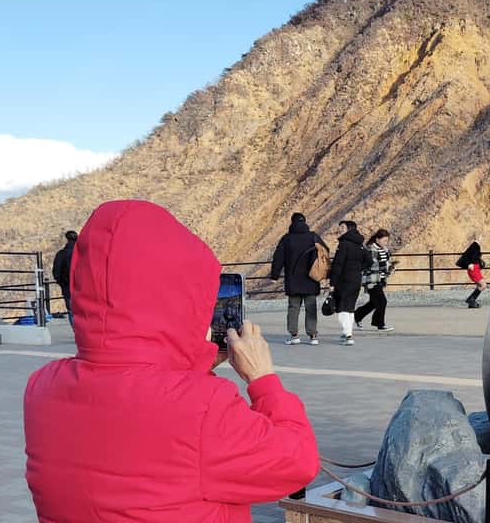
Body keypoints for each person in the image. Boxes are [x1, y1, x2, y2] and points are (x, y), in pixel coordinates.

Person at [24, 200, 319, 522]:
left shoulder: (42, 387)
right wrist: (263, 379)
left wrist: (189, 364)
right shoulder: (204, 406)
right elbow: (296, 463)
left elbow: (141, 421)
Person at [269, 212, 327, 345]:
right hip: (311, 278)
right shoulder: (313, 237)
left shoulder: (287, 238)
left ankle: (294, 335)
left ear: (292, 222)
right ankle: (313, 335)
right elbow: (324, 251)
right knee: (311, 307)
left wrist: (274, 275)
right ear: (305, 222)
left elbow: (278, 257)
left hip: (293, 279)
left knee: (293, 307)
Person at [329, 220, 372, 346]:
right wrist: (358, 269)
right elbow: (369, 261)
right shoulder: (360, 244)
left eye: (342, 227)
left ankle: (348, 335)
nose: (340, 229)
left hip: (343, 280)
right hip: (356, 279)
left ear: (350, 229)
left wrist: (332, 282)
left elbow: (338, 265)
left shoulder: (344, 244)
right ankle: (347, 333)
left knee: (342, 307)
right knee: (350, 307)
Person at [355, 229, 395, 332]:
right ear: (377, 239)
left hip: (380, 279)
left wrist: (391, 267)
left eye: (387, 240)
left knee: (374, 302)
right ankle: (379, 324)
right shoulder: (370, 249)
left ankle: (357, 315)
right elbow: (372, 265)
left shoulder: (384, 249)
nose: (385, 242)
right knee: (382, 301)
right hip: (371, 280)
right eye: (384, 240)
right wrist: (386, 266)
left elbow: (386, 262)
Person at [50, 230, 78, 326]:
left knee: (71, 311)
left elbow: (56, 271)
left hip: (67, 287)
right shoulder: (83, 253)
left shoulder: (61, 254)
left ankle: (75, 331)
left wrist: (61, 282)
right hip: (82, 287)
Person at [457, 238, 486, 308]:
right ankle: (471, 300)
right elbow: (465, 257)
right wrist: (468, 264)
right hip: (473, 269)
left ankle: (471, 303)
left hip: (476, 269)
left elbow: (474, 258)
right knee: (483, 285)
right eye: (480, 238)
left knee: (480, 285)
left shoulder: (476, 246)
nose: (482, 239)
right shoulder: (474, 246)